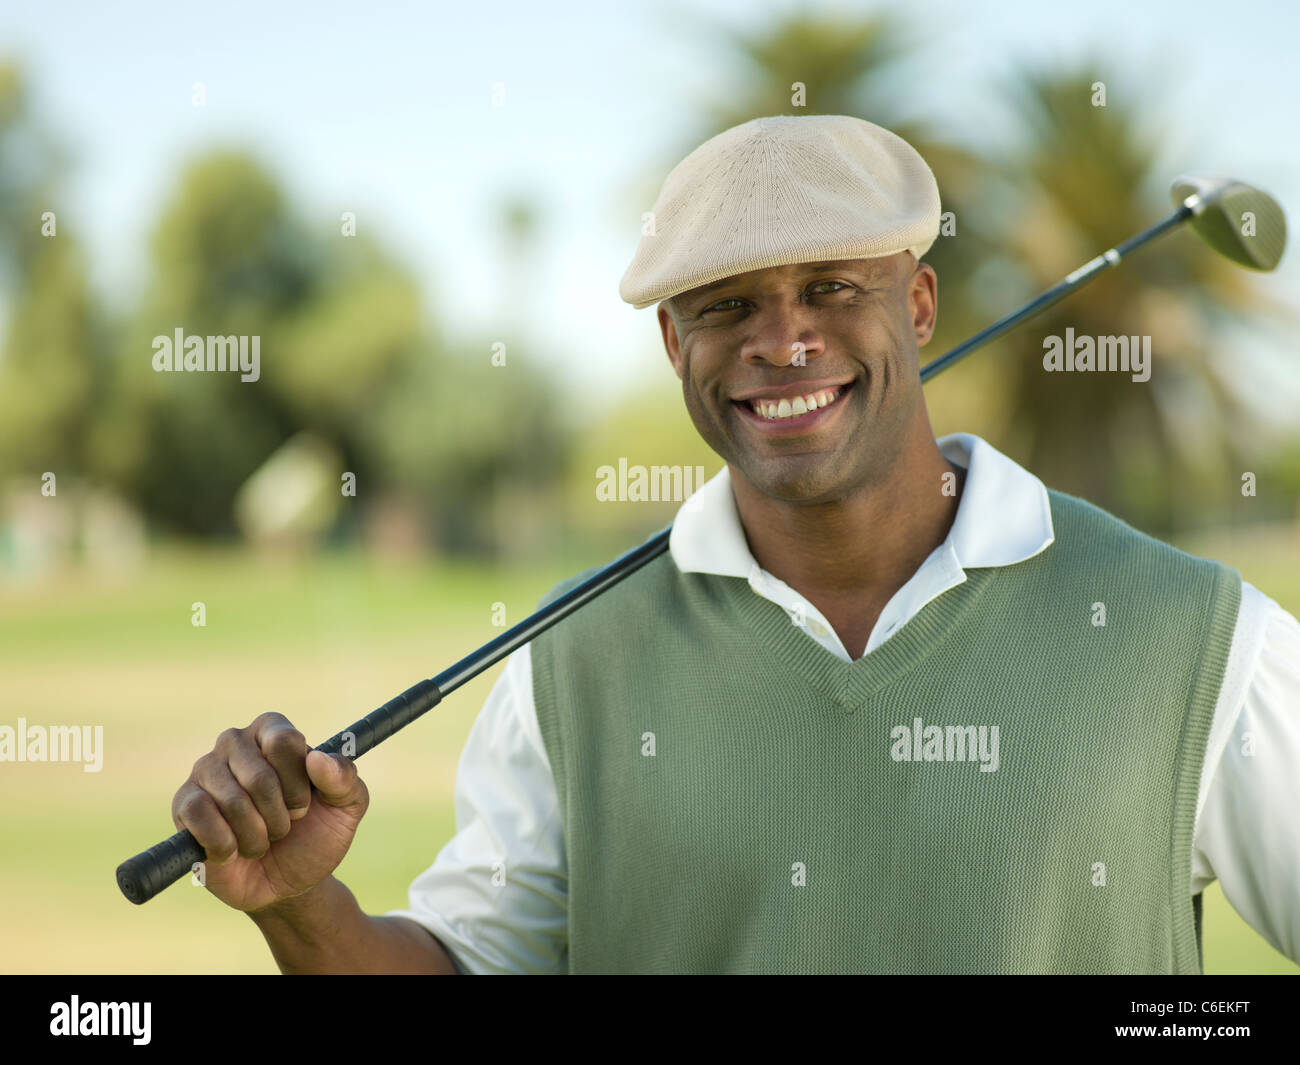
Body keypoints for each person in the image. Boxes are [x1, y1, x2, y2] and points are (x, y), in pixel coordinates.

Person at [171, 115, 1300, 974]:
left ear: (916, 305)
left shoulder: (1191, 636)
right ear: (674, 343)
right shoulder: (572, 663)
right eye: (725, 307)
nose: (783, 340)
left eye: (828, 287)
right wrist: (301, 908)